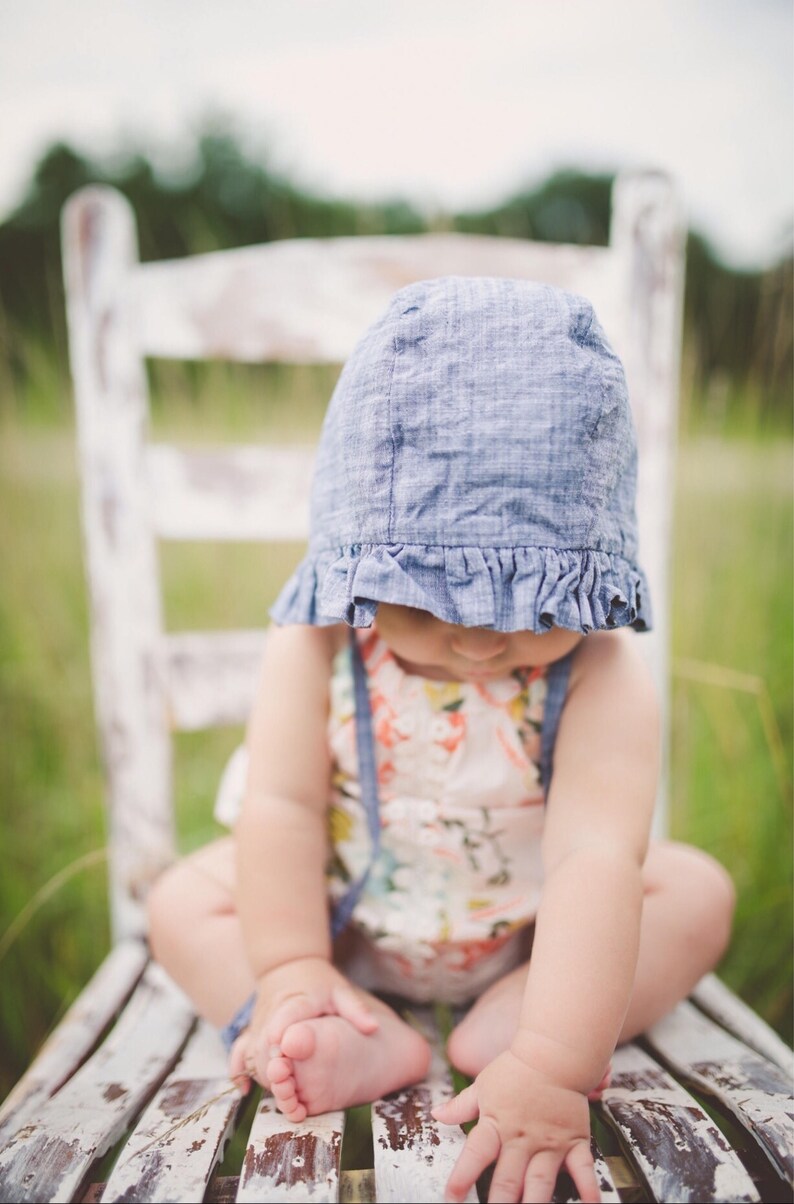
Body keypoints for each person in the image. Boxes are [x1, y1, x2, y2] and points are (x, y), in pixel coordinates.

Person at [147, 276, 735, 1204]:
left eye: (531, 598)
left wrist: (553, 1058)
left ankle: (523, 1019)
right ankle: (330, 1022)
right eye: (430, 598)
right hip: (341, 923)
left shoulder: (601, 674)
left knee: (696, 891)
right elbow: (282, 806)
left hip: (535, 935)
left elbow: (593, 856)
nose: (479, 638)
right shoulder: (317, 643)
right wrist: (294, 962)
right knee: (181, 901)